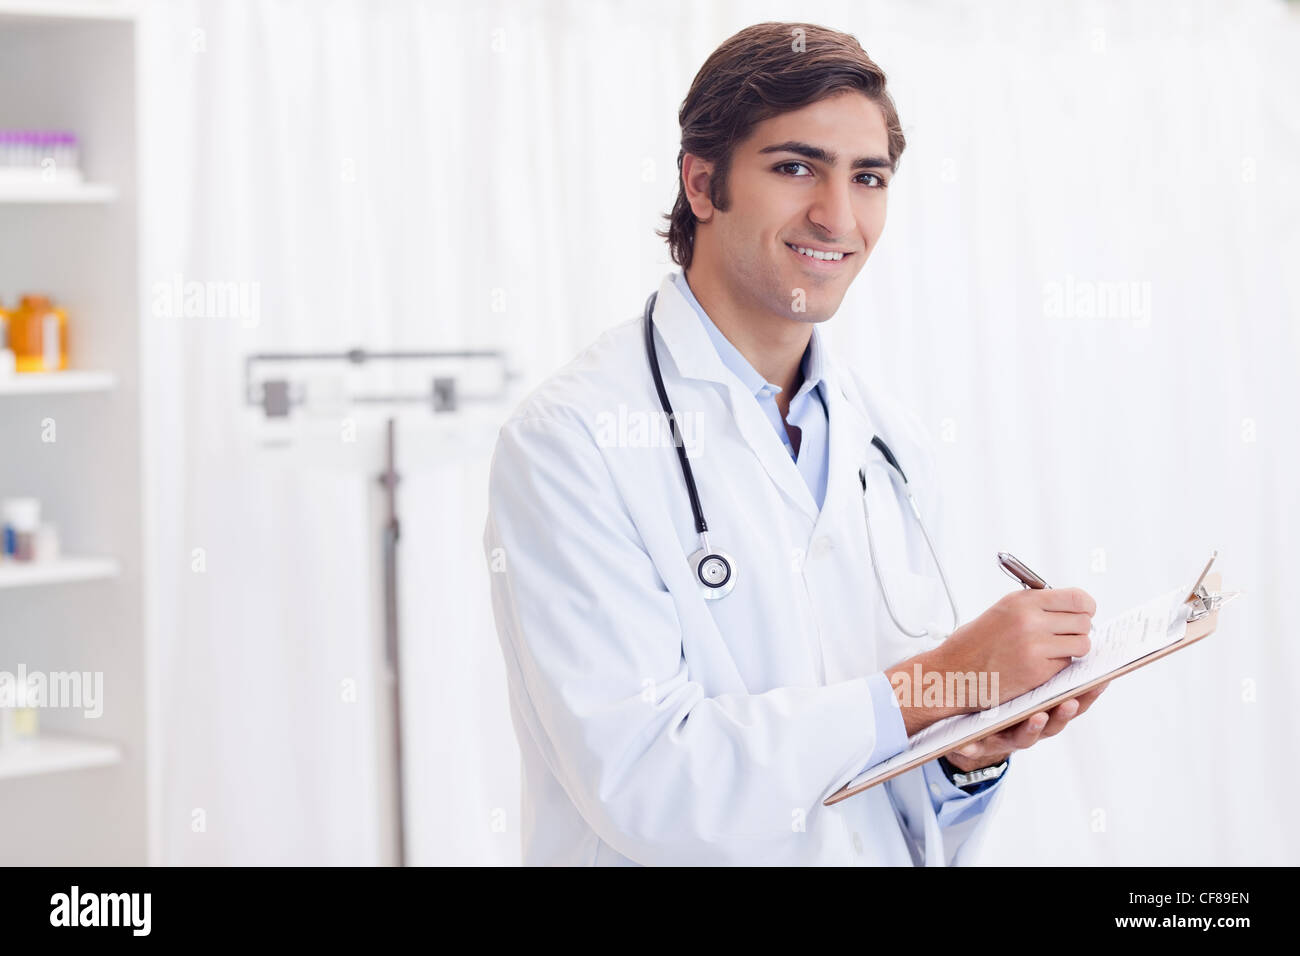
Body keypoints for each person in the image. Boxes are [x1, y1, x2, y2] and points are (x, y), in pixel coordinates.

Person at [483, 21, 1107, 866]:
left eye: (868, 177)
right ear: (702, 183)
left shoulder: (889, 441)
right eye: (795, 167)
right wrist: (936, 681)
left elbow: (885, 772)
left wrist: (966, 746)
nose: (837, 215)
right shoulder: (570, 443)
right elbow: (646, 783)